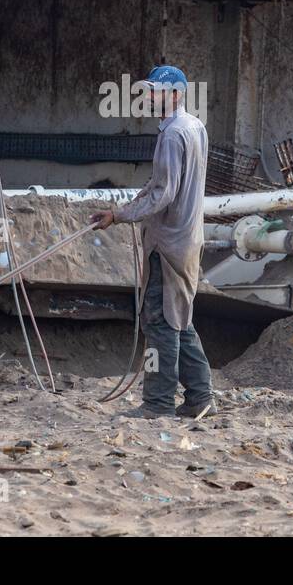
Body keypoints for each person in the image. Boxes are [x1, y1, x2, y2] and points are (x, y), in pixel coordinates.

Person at [91, 66, 215, 419]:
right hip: (188, 239)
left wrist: (119, 216)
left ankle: (157, 403)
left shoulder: (173, 134)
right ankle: (200, 396)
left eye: (157, 91)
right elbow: (161, 185)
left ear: (175, 94)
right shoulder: (194, 127)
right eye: (148, 91)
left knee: (159, 321)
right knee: (180, 318)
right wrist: (124, 209)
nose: (149, 97)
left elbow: (162, 193)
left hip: (168, 242)